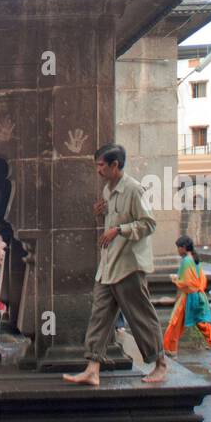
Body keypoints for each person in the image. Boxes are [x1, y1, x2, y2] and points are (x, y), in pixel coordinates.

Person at [64, 142, 168, 386]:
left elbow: (149, 224)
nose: (98, 170)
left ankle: (160, 363)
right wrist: (101, 212)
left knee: (140, 315)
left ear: (115, 165)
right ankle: (93, 368)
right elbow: (115, 216)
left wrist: (118, 230)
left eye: (101, 165)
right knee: (99, 316)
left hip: (129, 265)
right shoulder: (108, 190)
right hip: (109, 264)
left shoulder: (133, 189)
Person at [164, 235, 211, 364]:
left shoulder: (186, 261)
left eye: (178, 248)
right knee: (202, 324)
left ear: (184, 248)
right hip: (199, 296)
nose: (177, 250)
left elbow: (186, 282)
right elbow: (200, 279)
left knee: (174, 324)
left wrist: (175, 279)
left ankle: (170, 352)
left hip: (188, 297)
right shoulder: (195, 260)